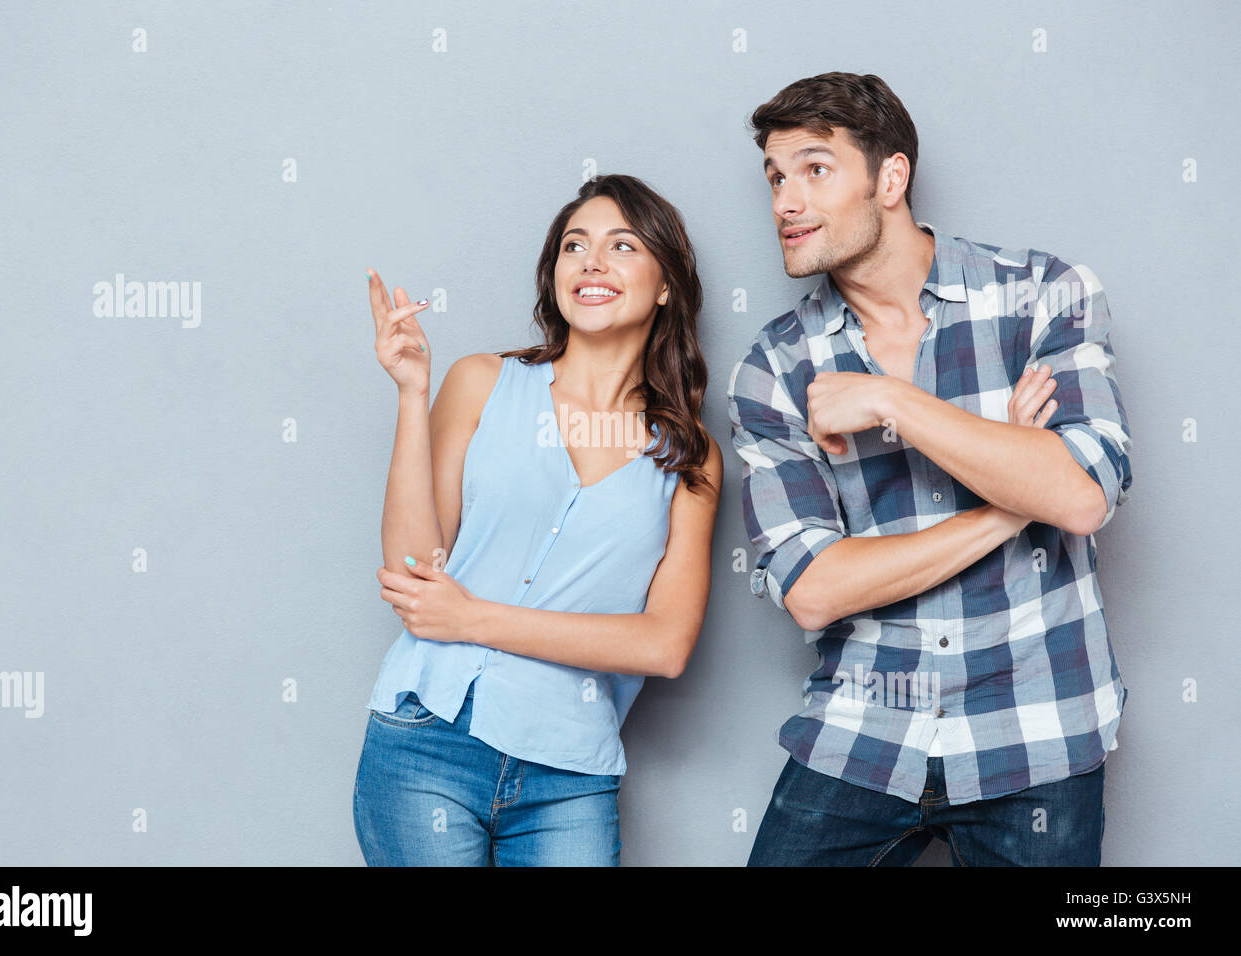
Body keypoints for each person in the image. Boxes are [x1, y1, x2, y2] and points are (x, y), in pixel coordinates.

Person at [728, 72, 1132, 866]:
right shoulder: (777, 365)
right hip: (863, 727)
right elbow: (813, 590)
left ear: (891, 177)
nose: (784, 201)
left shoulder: (1042, 295)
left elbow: (1081, 496)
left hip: (1037, 725)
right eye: (775, 177)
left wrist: (892, 401)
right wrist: (1014, 502)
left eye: (814, 169)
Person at [353, 173, 722, 866]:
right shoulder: (481, 382)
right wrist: (411, 395)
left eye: (621, 245)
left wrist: (474, 621)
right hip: (427, 741)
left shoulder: (688, 455)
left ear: (666, 284)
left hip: (569, 771)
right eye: (574, 245)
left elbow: (665, 645)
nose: (591, 262)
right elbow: (414, 576)